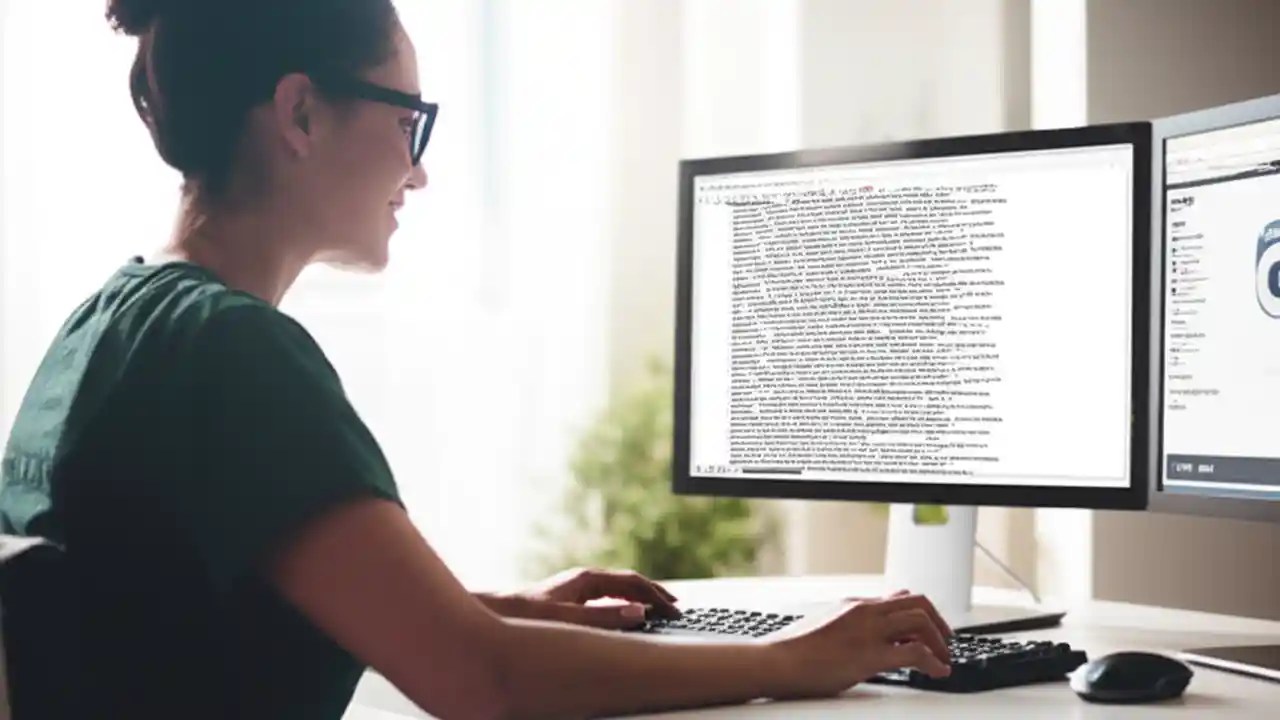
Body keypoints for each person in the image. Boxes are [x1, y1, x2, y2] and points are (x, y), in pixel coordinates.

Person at [0, 1, 952, 718]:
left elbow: (182, 611)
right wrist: (794, 660)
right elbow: (480, 681)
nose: (419, 170)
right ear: (300, 114)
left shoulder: (113, 320)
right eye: (409, 119)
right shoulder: (234, 351)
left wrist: (482, 605)